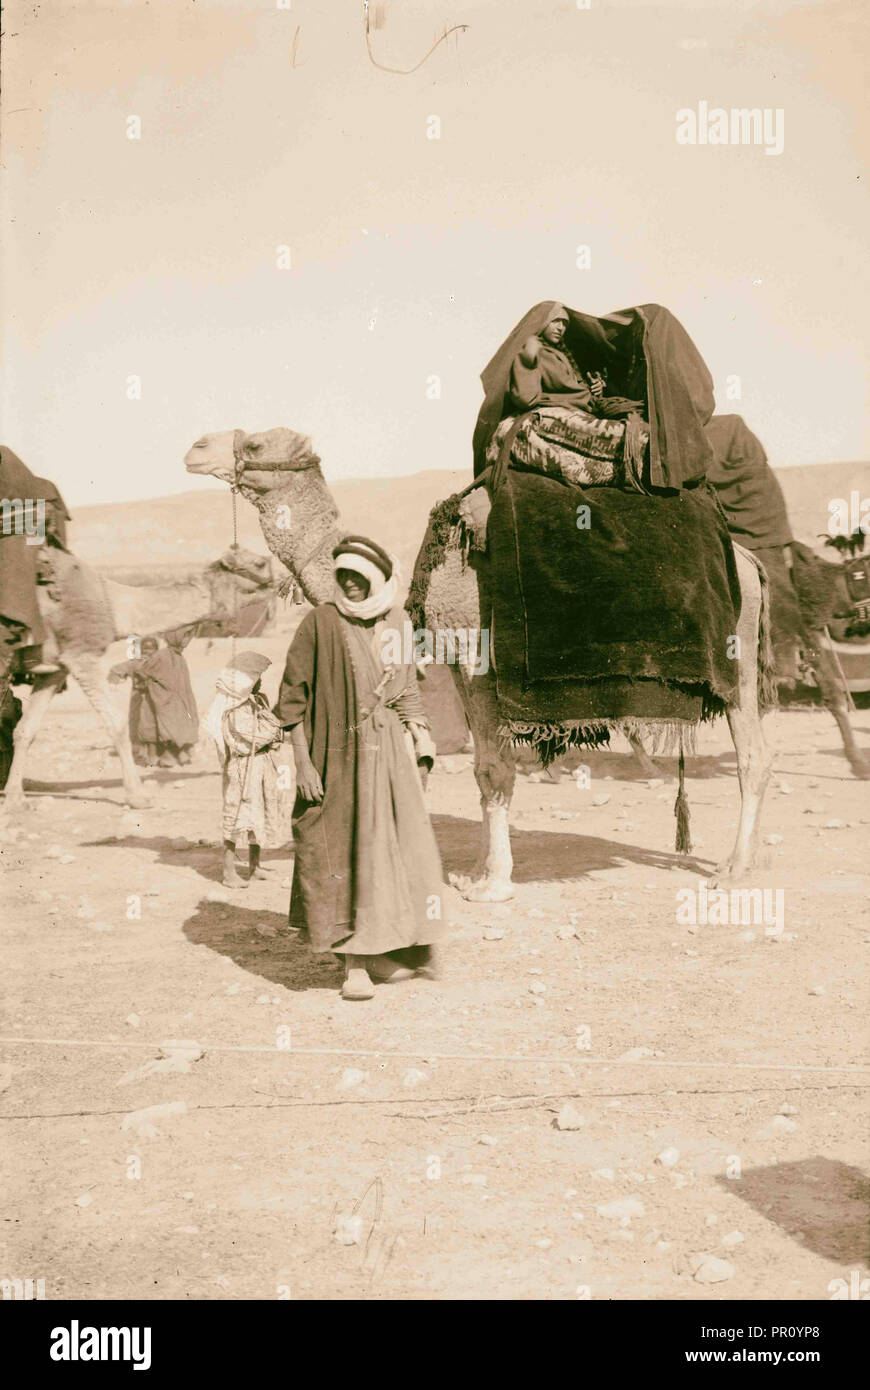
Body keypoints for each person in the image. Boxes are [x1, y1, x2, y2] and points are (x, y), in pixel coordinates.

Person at [275, 535, 445, 1001]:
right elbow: (292, 701)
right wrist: (303, 762)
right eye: (343, 575)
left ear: (378, 579)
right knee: (344, 851)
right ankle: (353, 966)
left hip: (389, 755)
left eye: (359, 577)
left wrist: (422, 748)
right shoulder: (319, 624)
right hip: (336, 755)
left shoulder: (398, 623)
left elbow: (408, 690)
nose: (349, 584)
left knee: (391, 853)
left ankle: (381, 949)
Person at [205, 650, 292, 888]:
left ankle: (254, 867)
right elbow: (256, 734)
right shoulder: (233, 709)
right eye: (256, 678)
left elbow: (269, 729)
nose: (261, 682)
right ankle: (228, 871)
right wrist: (275, 730)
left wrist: (272, 729)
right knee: (236, 816)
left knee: (259, 814)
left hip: (261, 765)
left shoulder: (258, 699)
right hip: (243, 769)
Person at [108, 630, 199, 767]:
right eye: (144, 649)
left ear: (156, 650)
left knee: (166, 727)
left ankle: (176, 754)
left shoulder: (162, 660)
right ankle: (150, 756)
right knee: (147, 729)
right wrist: (114, 681)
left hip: (162, 700)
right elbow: (118, 669)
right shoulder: (137, 662)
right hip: (143, 700)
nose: (147, 652)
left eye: (151, 649)